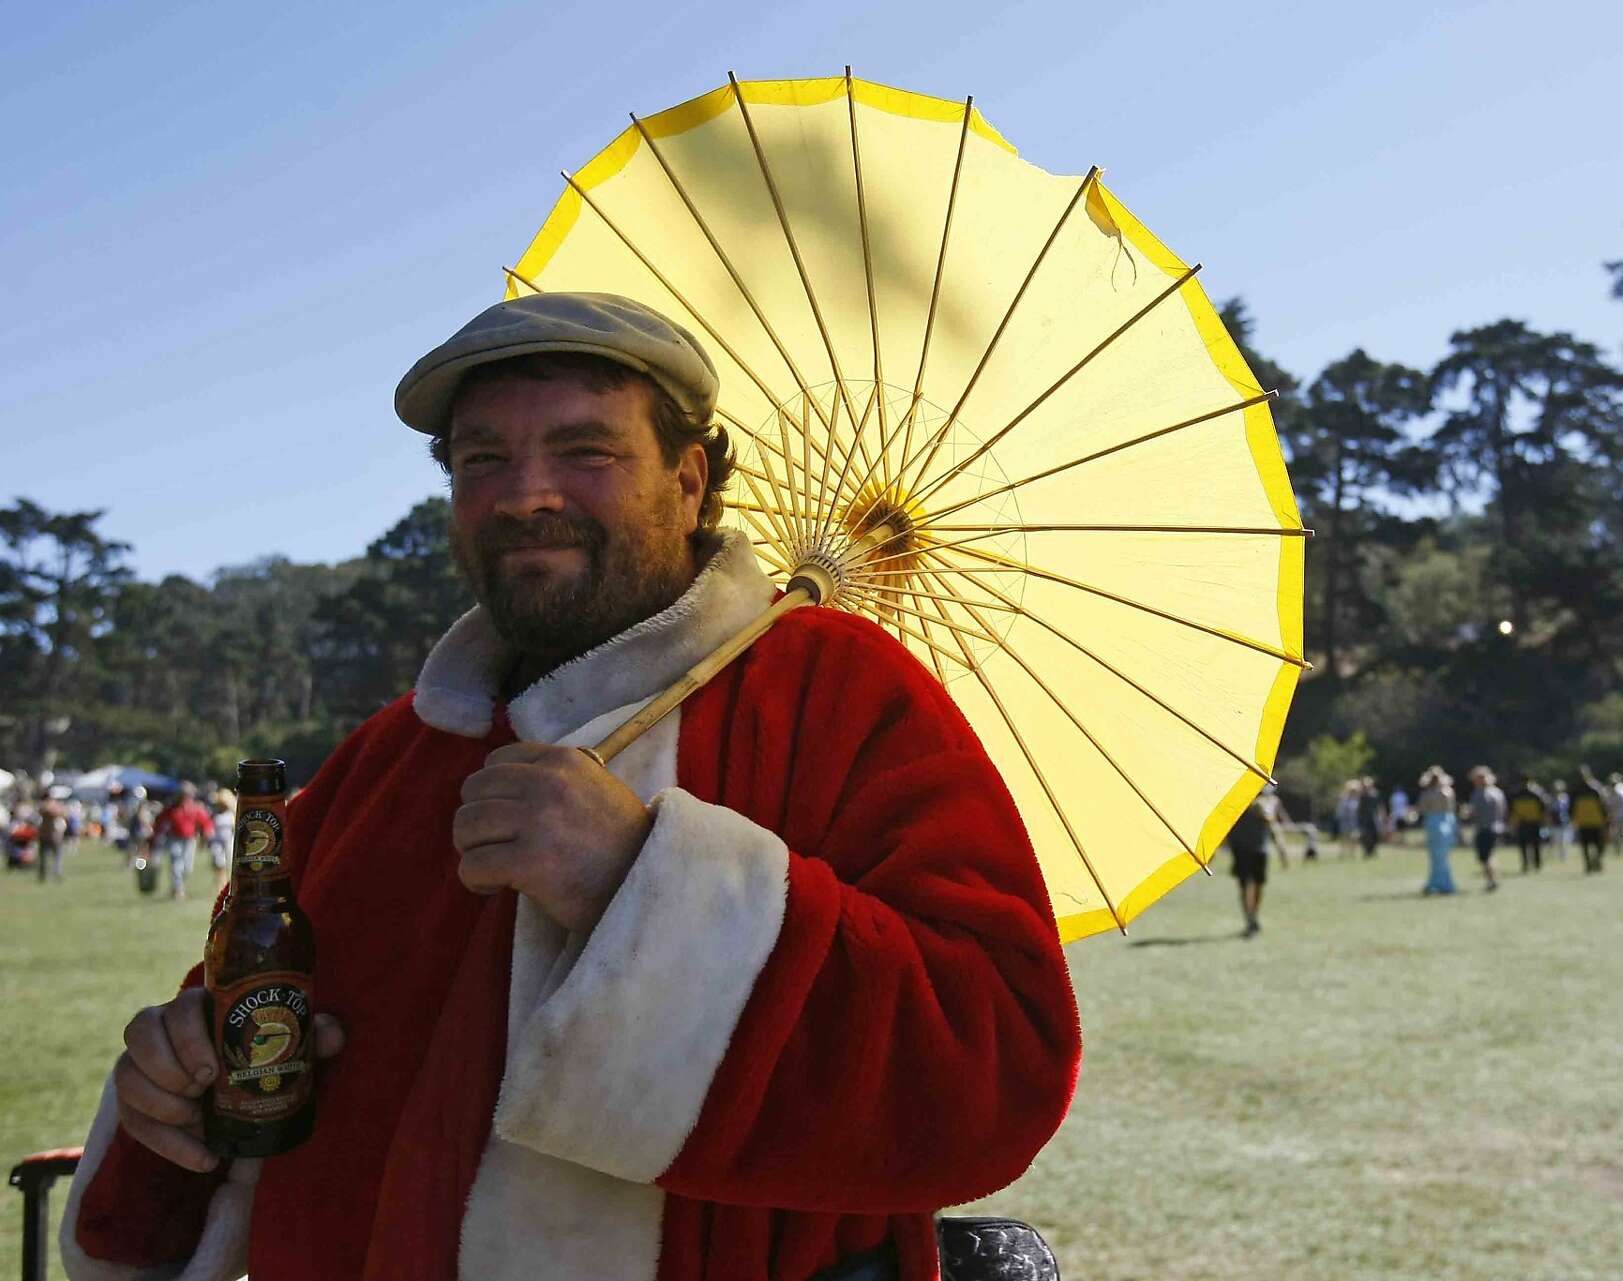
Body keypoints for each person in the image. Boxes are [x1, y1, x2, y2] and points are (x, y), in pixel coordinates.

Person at [65, 292, 1080, 1281]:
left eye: (586, 451)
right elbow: (234, 1051)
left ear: (691, 481)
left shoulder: (834, 693)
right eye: (482, 459)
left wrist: (637, 880)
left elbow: (999, 1064)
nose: (524, 493)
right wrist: (173, 1081)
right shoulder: (388, 759)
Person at [1226, 781, 1280, 934]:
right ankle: (1248, 917)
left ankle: (1254, 914)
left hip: (1259, 847)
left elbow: (1270, 820)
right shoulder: (1235, 795)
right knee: (1244, 884)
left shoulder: (1266, 797)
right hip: (1241, 847)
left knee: (1258, 883)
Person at [150, 782, 214, 900]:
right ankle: (178, 889)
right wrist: (155, 836)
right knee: (176, 865)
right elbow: (159, 823)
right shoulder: (171, 809)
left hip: (190, 840)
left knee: (187, 867)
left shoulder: (195, 809)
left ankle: (177, 887)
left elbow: (205, 822)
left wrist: (206, 833)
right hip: (174, 839)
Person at [1416, 766, 1457, 895]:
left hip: (1434, 823)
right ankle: (1441, 884)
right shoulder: (1448, 792)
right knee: (1442, 857)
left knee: (1437, 857)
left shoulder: (1428, 794)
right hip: (1446, 823)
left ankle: (1440, 884)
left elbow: (1422, 809)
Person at [1468, 767, 1506, 893]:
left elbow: (1473, 812)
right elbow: (1503, 810)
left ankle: (1491, 880)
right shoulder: (1498, 792)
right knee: (1490, 855)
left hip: (1484, 829)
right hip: (1497, 828)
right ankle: (1493, 879)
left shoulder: (1478, 793)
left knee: (1485, 857)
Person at [1569, 771, 1609, 874]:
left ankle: (1594, 862)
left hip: (1593, 821)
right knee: (1591, 845)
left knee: (1596, 845)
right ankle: (1589, 865)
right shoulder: (1577, 791)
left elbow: (1603, 806)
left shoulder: (1594, 789)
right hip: (1588, 822)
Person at [1508, 774, 1549, 873]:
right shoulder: (1537, 793)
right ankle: (1536, 865)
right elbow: (1543, 809)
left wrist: (1513, 822)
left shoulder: (1516, 793)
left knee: (1526, 845)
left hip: (1524, 823)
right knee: (1534, 845)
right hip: (1532, 822)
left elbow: (1511, 810)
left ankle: (1527, 865)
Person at [208, 787, 237, 894]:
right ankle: (220, 885)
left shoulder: (232, 813)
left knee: (229, 864)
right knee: (219, 864)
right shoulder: (214, 813)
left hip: (229, 841)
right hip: (217, 842)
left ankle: (227, 885)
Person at [35, 791, 67, 883]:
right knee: (52, 857)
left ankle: (52, 874)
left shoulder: (43, 806)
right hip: (52, 835)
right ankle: (50, 874)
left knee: (51, 857)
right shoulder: (51, 806)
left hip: (49, 834)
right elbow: (60, 813)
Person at [1356, 776, 1384, 859]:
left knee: (1375, 835)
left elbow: (1380, 806)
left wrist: (1382, 816)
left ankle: (1372, 851)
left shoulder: (1375, 794)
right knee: (1365, 836)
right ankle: (1366, 852)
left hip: (1373, 818)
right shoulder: (1361, 795)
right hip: (1364, 818)